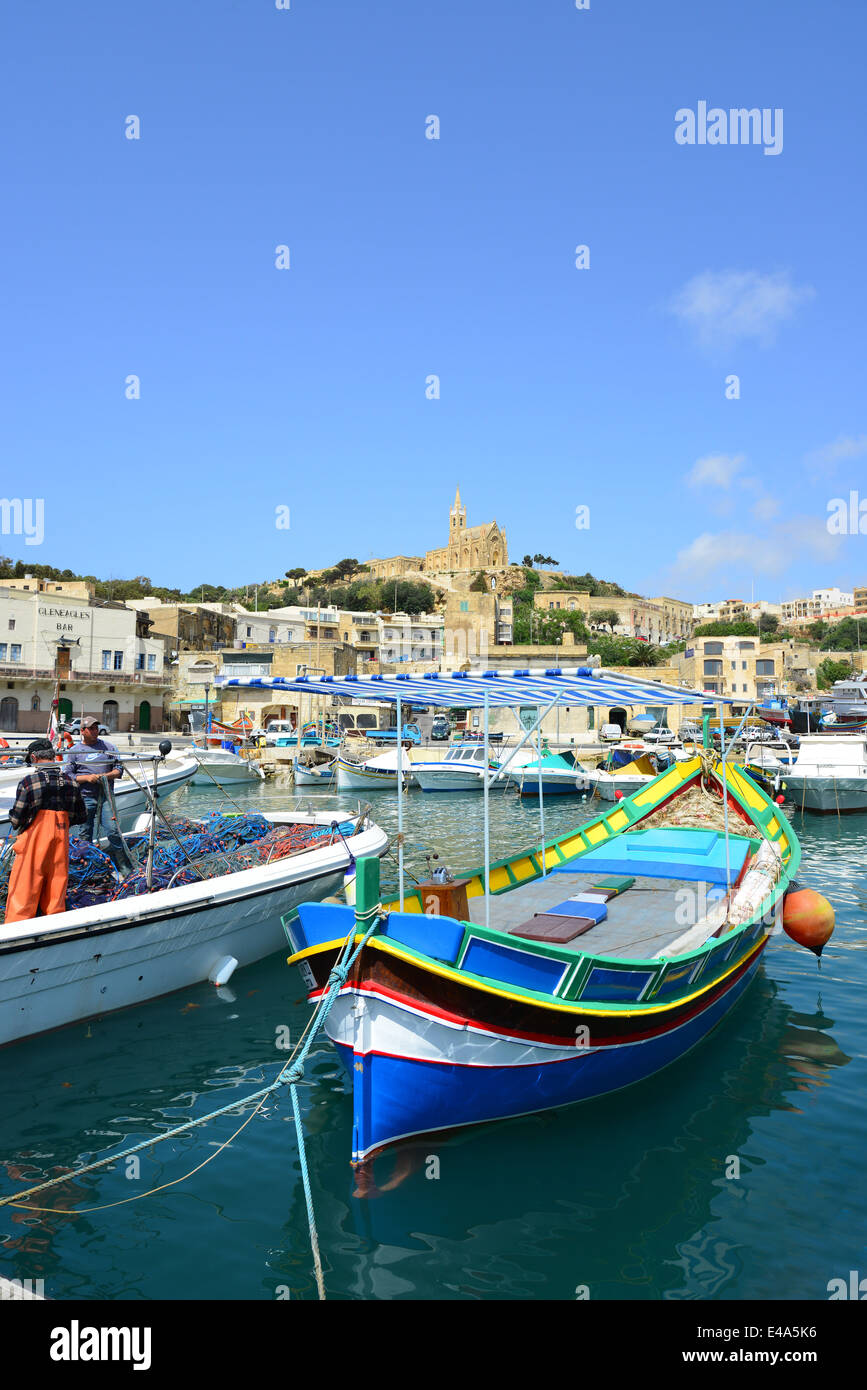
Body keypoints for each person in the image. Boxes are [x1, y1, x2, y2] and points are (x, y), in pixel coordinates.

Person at [4, 739, 87, 924]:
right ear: (52, 756)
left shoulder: (29, 782)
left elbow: (16, 820)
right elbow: (81, 816)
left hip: (33, 845)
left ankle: (17, 929)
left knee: (24, 891)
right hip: (60, 841)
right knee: (56, 890)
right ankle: (52, 928)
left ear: (34, 758)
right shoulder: (71, 782)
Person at [64, 716, 134, 874]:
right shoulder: (74, 751)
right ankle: (87, 867)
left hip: (106, 797)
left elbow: (119, 769)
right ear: (82, 731)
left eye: (96, 728)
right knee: (85, 833)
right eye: (91, 728)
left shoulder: (109, 747)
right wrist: (86, 778)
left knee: (113, 831)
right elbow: (68, 775)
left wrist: (106, 776)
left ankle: (124, 866)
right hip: (85, 798)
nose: (95, 731)